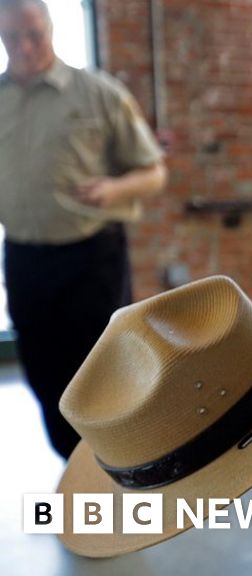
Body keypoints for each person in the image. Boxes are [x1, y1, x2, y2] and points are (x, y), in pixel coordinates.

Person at [0, 0, 166, 459]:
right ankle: (73, 463)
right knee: (42, 369)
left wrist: (114, 188)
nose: (24, 47)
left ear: (51, 29)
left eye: (33, 35)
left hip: (91, 258)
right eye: (11, 37)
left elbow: (154, 172)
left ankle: (119, 463)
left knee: (104, 371)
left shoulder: (99, 93)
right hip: (23, 258)